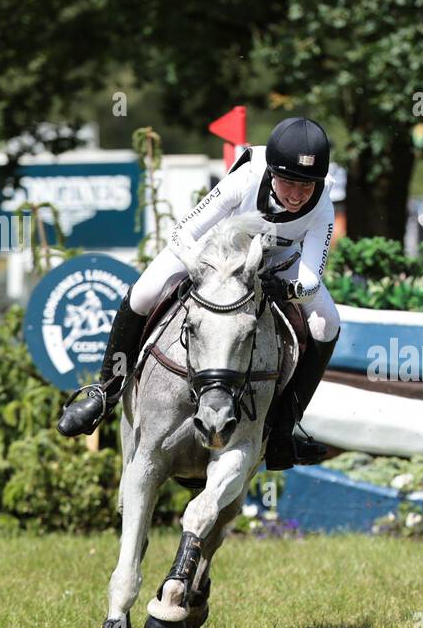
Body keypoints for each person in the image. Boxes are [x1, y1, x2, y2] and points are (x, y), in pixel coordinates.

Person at [57, 116, 340, 471]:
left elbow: (312, 276)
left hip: (280, 263)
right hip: (214, 249)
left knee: (327, 323)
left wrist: (287, 289)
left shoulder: (323, 204)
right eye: (289, 183)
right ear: (271, 173)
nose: (298, 195)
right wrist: (197, 264)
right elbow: (182, 232)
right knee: (144, 292)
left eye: (307, 186)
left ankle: (283, 427)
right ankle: (106, 392)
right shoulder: (245, 180)